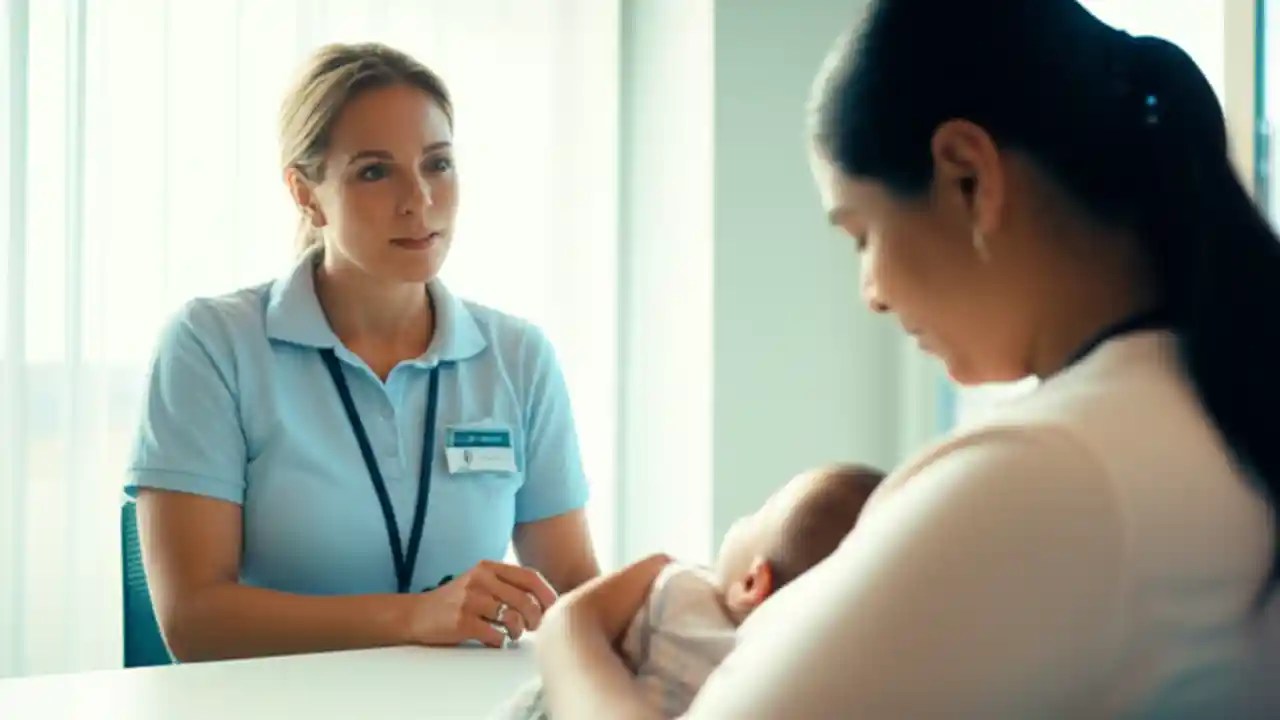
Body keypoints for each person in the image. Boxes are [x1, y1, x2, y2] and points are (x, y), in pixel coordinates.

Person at [535, 1, 1280, 717]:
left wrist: (570, 637)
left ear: (967, 177)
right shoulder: (1214, 406)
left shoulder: (1043, 476)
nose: (871, 295)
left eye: (862, 235)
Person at [125, 42, 599, 662]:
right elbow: (195, 621)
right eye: (375, 171)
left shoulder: (518, 356)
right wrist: (415, 617)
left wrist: (689, 609)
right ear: (305, 193)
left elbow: (573, 588)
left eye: (438, 164)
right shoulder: (213, 344)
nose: (419, 200)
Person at [498, 464, 883, 719]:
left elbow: (581, 626)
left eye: (754, 517)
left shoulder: (680, 589)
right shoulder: (805, 675)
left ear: (752, 584)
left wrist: (574, 617)